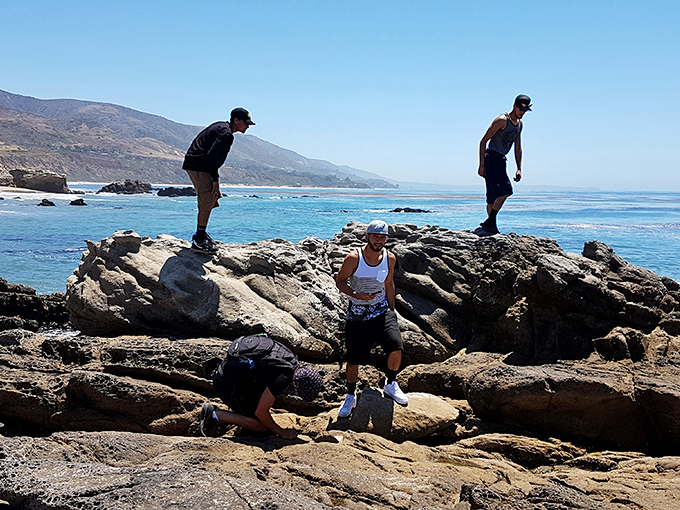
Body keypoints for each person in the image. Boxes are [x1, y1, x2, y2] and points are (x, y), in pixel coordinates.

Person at [334, 220, 408, 418]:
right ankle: (350, 395)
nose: (379, 240)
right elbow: (340, 281)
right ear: (367, 236)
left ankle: (391, 383)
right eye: (375, 236)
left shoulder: (389, 258)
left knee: (396, 346)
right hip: (358, 316)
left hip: (382, 312)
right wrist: (356, 294)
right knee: (354, 359)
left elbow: (389, 284)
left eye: (383, 237)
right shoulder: (353, 258)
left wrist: (392, 310)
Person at [199, 334, 323, 439]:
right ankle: (214, 414)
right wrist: (281, 432)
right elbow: (261, 412)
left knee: (259, 419)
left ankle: (243, 421)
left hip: (233, 375)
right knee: (261, 426)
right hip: (226, 384)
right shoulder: (283, 378)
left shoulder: (290, 360)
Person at [182, 108, 255, 253]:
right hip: (199, 166)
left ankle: (200, 234)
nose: (247, 126)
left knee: (210, 198)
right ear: (236, 121)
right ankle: (199, 240)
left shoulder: (221, 126)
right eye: (245, 123)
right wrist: (215, 181)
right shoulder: (227, 134)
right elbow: (212, 158)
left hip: (195, 163)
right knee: (207, 198)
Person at [476, 94, 532, 235]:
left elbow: (517, 147)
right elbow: (483, 142)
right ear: (514, 106)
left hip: (501, 160)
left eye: (525, 111)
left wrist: (519, 168)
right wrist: (481, 165)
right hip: (491, 158)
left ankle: (490, 227)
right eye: (520, 110)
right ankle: (490, 222)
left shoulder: (519, 124)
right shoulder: (501, 121)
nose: (522, 113)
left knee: (493, 197)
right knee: (506, 191)